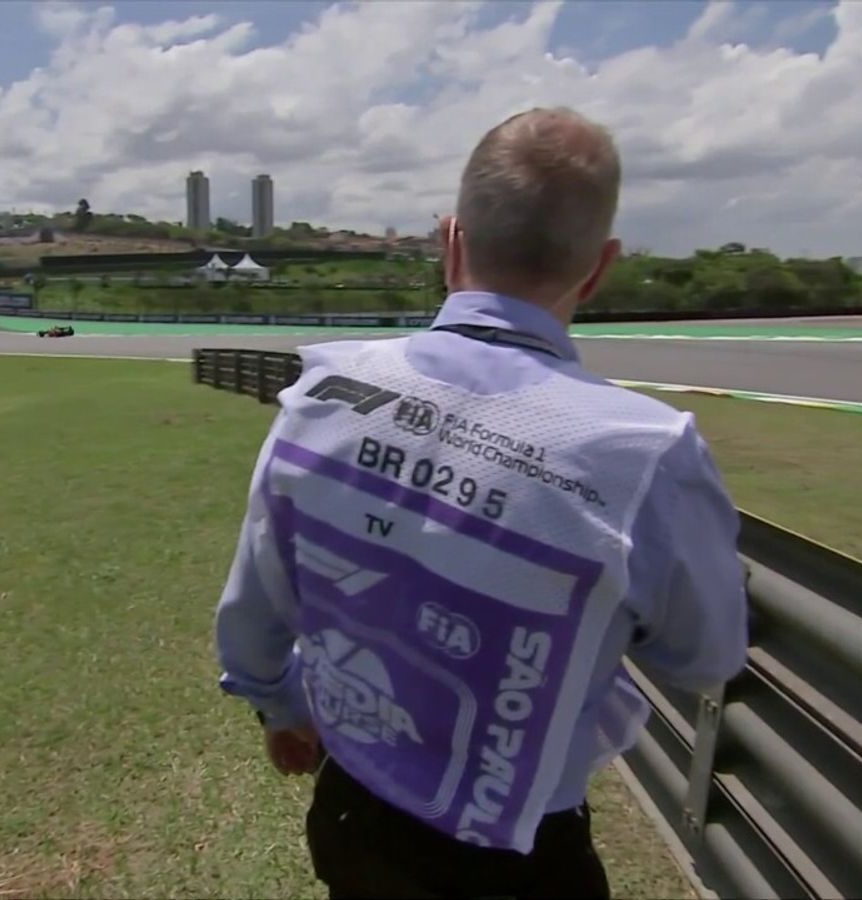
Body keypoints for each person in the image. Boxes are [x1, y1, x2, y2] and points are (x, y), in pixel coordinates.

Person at [213, 106, 750, 900]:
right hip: (519, 861)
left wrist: (281, 707)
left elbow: (255, 608)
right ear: (600, 267)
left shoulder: (326, 390)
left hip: (353, 816)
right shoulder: (648, 454)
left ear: (450, 240)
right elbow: (705, 658)